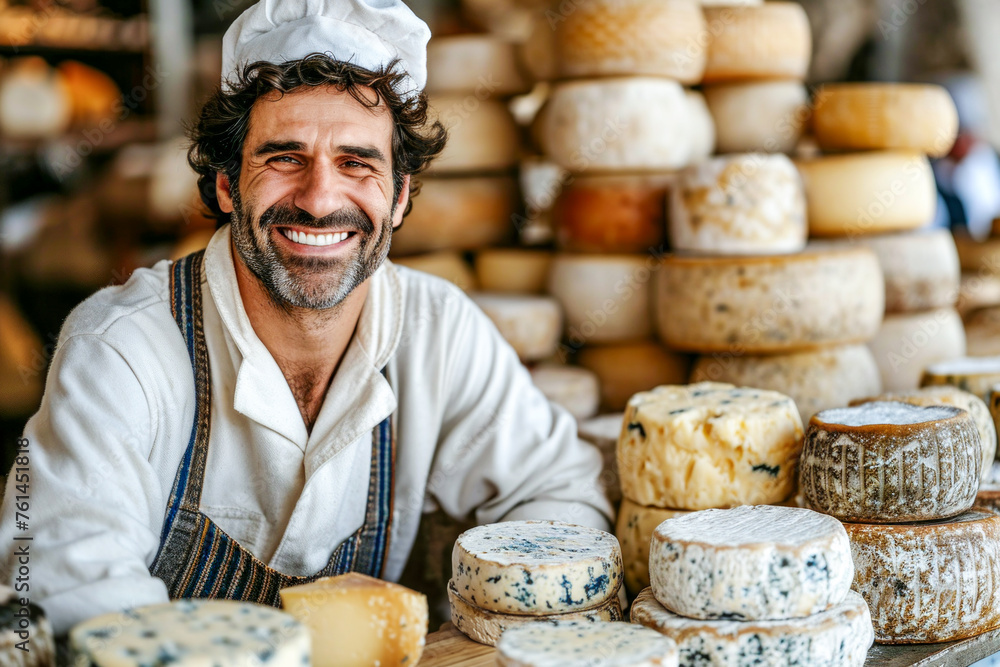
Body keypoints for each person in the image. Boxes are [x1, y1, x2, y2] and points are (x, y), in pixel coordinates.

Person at [0, 0, 611, 635]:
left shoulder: (438, 332)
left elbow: (561, 500)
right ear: (227, 185)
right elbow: (69, 593)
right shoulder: (123, 349)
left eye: (357, 162)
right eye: (284, 157)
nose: (320, 199)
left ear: (399, 196)